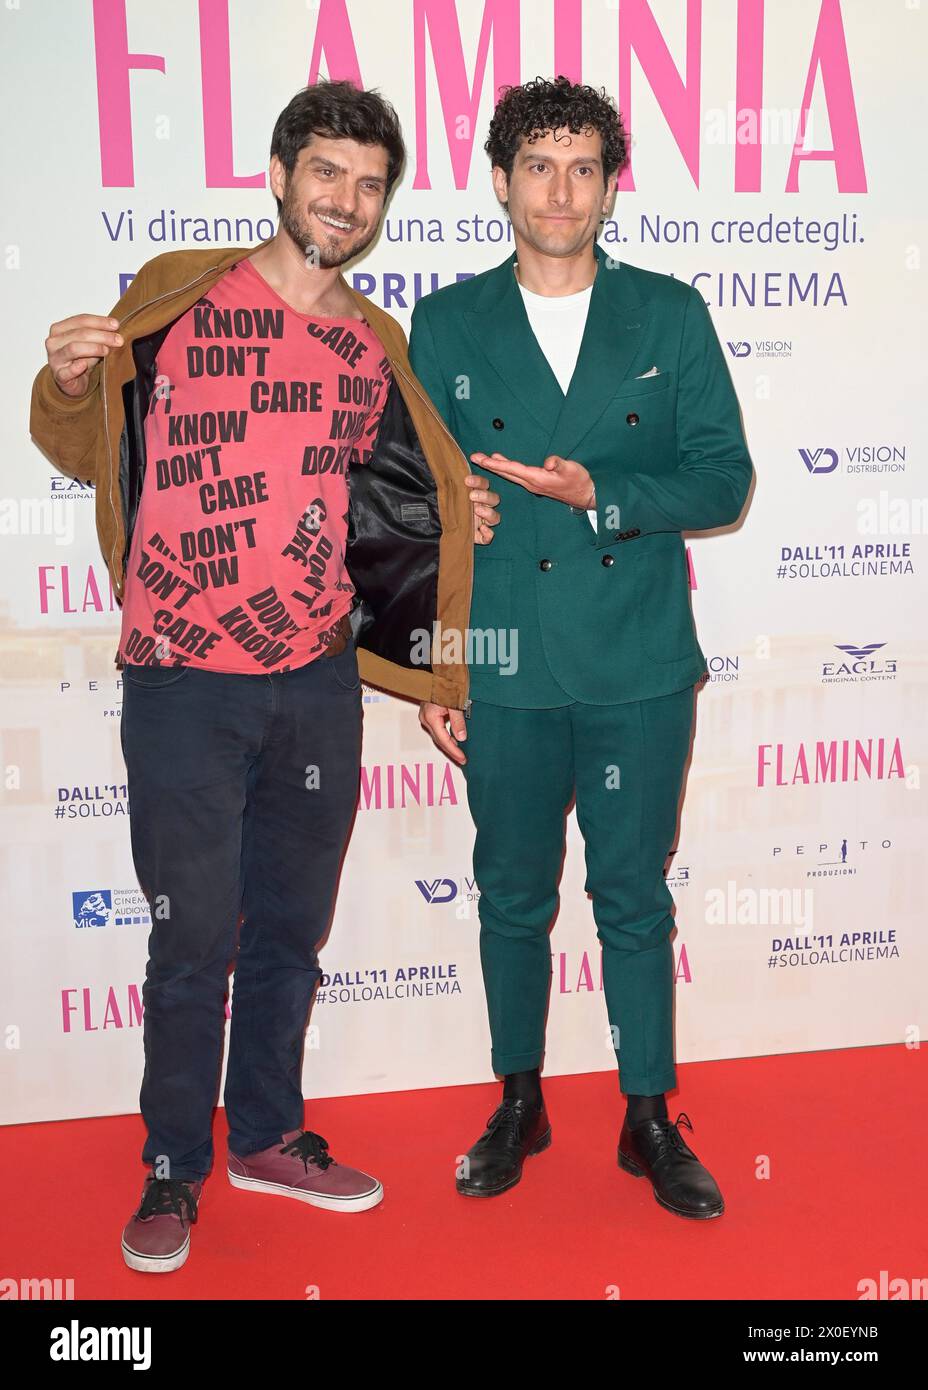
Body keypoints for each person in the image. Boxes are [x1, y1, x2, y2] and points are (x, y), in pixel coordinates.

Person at [30, 79, 499, 1273]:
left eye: (368, 183)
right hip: (183, 676)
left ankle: (271, 1135)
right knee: (192, 939)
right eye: (326, 173)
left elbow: (397, 494)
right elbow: (74, 437)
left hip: (316, 679)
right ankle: (175, 1168)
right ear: (280, 176)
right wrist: (71, 383)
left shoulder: (368, 338)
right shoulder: (178, 290)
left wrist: (455, 532)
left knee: (291, 926)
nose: (344, 200)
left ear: (383, 204)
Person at [412, 76, 753, 1218]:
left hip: (638, 656)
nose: (561, 189)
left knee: (632, 897)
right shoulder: (447, 321)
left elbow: (723, 477)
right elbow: (417, 504)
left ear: (613, 184)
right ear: (501, 180)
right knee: (510, 895)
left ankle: (647, 1113)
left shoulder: (669, 314)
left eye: (582, 165)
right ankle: (519, 1097)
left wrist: (599, 490)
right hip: (503, 652)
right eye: (537, 165)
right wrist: (441, 659)